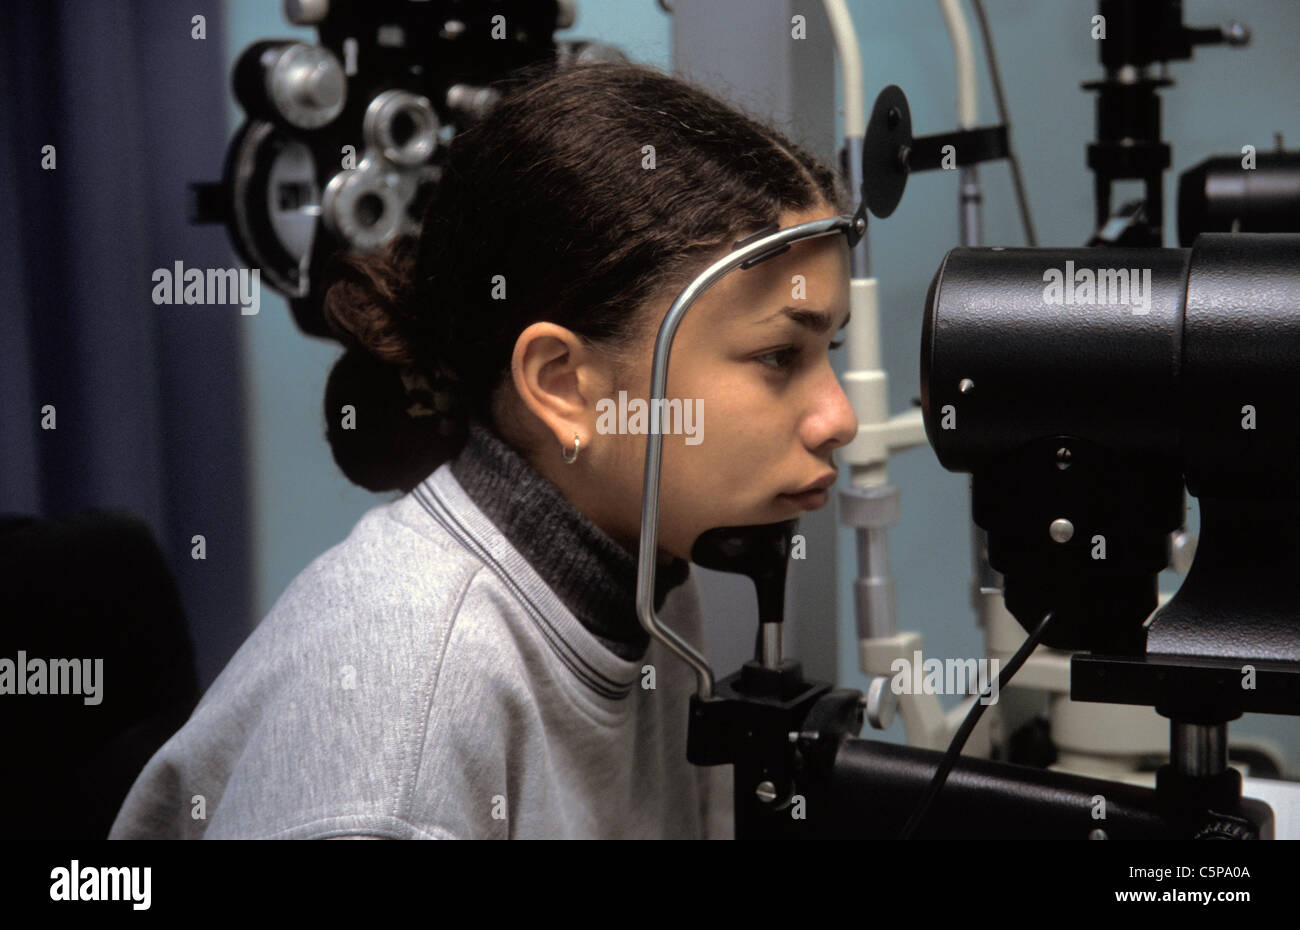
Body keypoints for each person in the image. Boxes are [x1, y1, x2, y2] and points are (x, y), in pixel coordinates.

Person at [109, 59, 858, 840]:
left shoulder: (647, 574)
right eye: (780, 357)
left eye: (829, 349)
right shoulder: (402, 745)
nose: (839, 418)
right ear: (564, 385)